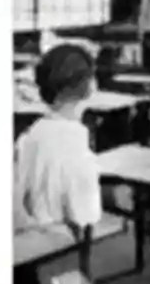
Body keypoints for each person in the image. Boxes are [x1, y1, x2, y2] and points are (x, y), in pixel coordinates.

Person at [13, 44, 102, 232]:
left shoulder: (30, 134)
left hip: (30, 232)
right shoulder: (76, 139)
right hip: (60, 238)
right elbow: (86, 214)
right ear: (89, 86)